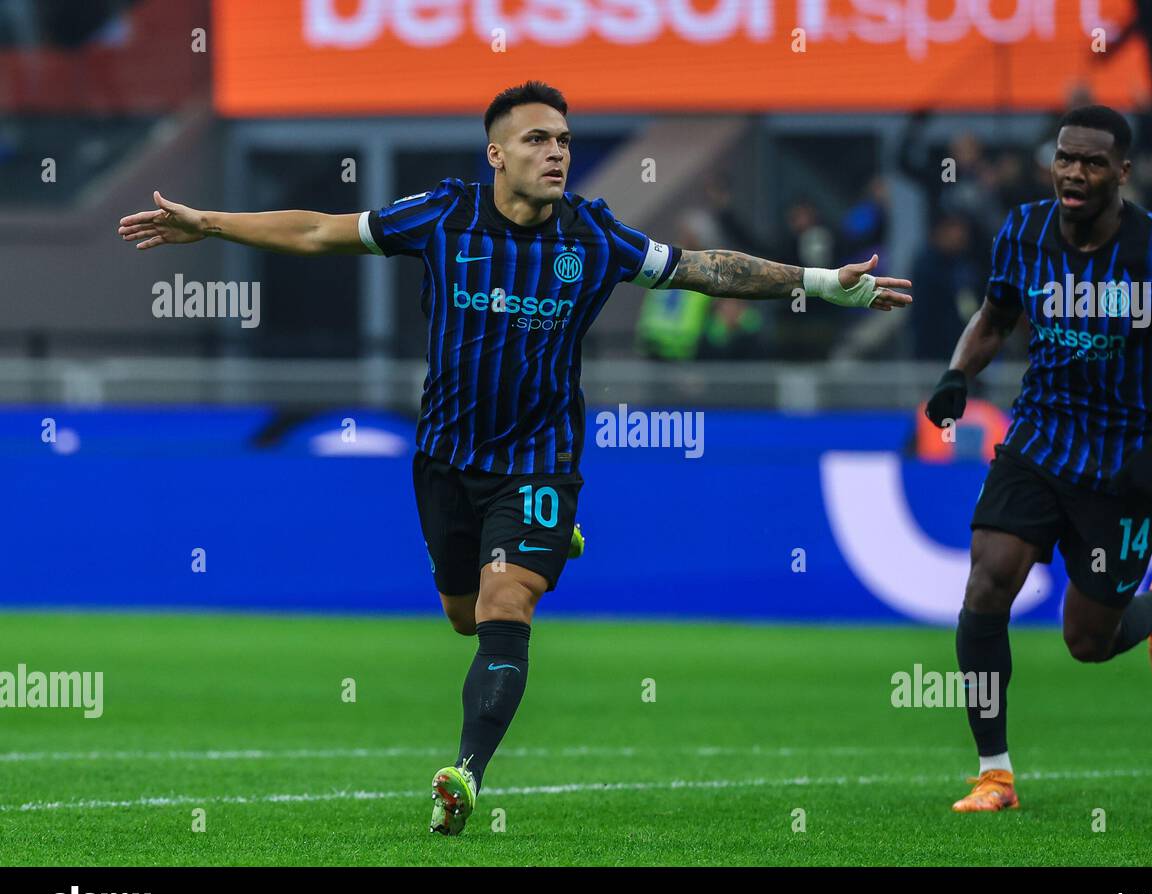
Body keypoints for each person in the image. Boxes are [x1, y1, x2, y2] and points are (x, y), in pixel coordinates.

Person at [117, 80, 913, 835]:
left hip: (541, 459)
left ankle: (466, 773)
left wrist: (823, 282)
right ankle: (544, 544)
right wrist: (211, 223)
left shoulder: (595, 234)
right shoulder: (444, 216)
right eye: (537, 139)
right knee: (463, 614)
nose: (556, 152)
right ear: (496, 154)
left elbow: (706, 270)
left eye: (564, 139)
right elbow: (323, 230)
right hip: (446, 457)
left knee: (505, 605)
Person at [922, 105, 1152, 812]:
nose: (1075, 171)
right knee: (986, 586)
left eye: (1093, 162)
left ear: (1121, 172)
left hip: (1126, 464)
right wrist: (957, 375)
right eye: (1066, 157)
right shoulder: (1024, 231)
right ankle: (995, 774)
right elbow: (995, 316)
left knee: (1087, 642)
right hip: (1038, 441)